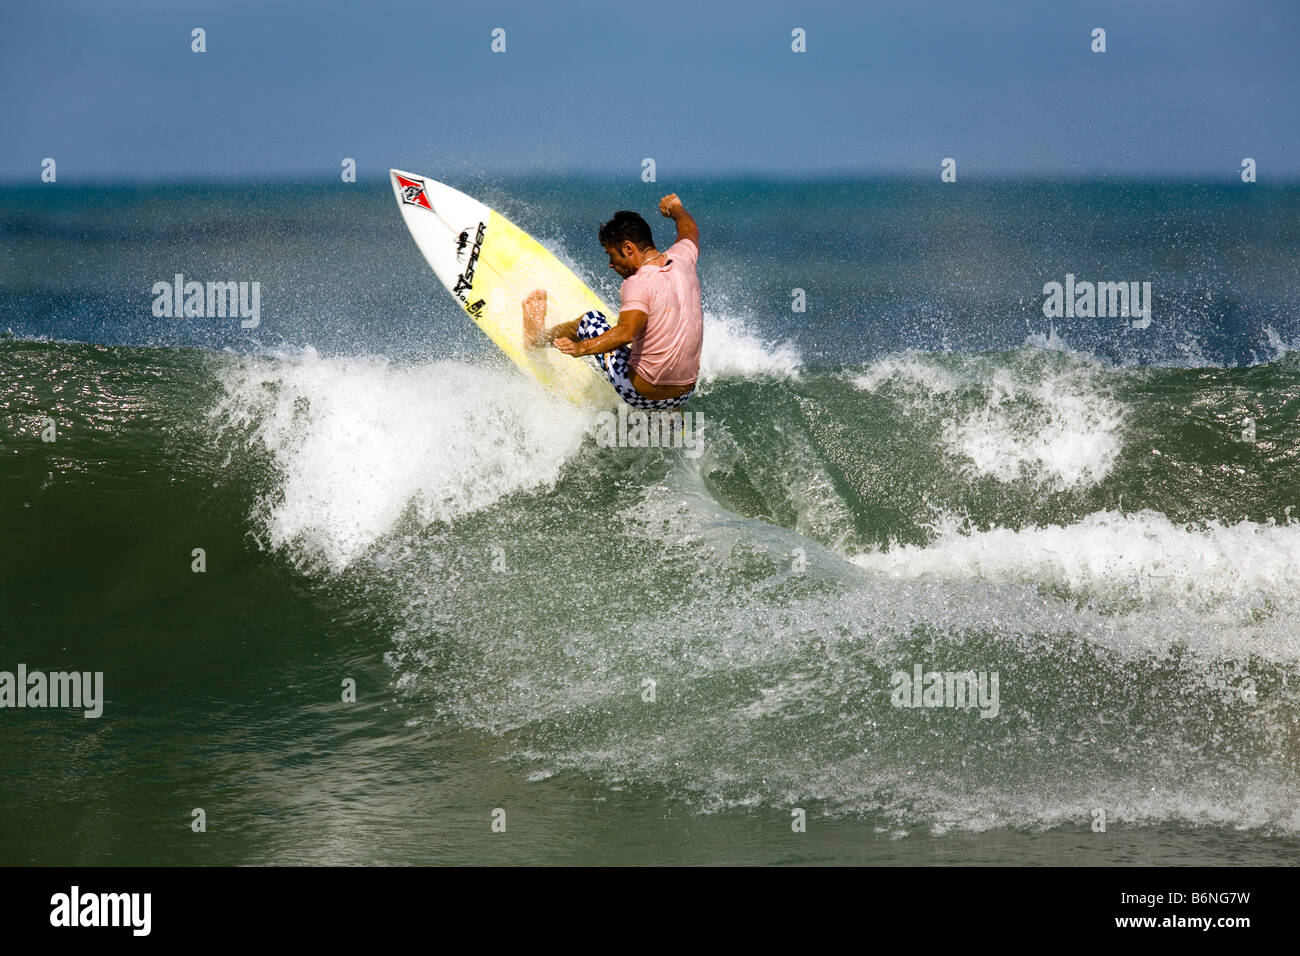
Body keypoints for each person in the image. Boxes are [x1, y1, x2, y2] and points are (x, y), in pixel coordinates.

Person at [522, 193, 702, 410]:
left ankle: (536, 338)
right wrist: (675, 208)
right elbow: (690, 230)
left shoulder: (638, 283)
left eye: (611, 255)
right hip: (685, 393)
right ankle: (669, 410)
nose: (610, 264)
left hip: (643, 395)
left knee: (590, 320)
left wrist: (581, 347)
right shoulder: (684, 259)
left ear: (628, 248)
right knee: (656, 325)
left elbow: (626, 332)